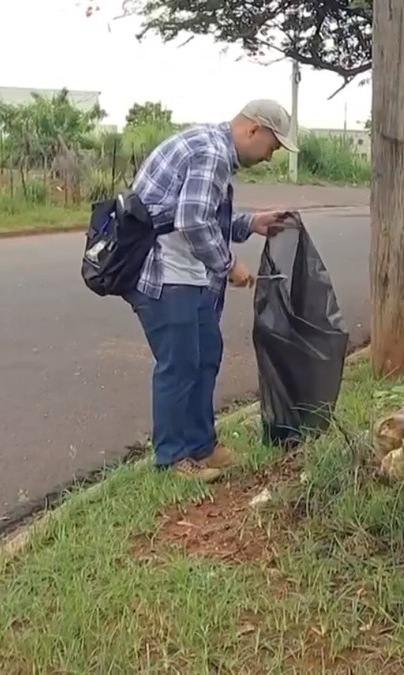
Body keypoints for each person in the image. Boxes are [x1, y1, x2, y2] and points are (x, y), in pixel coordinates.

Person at [125, 99, 298, 482]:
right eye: (272, 146)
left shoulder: (210, 147)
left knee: (205, 354)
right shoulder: (213, 153)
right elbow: (192, 221)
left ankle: (202, 446)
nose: (270, 157)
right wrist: (229, 265)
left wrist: (251, 222)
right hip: (163, 272)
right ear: (253, 129)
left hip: (186, 271)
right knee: (179, 363)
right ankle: (172, 461)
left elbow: (200, 215)